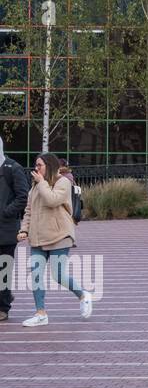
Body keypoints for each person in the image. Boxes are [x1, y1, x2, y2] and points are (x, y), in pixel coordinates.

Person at [15, 154, 92, 327]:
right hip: (37, 238)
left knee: (58, 276)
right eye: (36, 165)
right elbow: (28, 210)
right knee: (35, 276)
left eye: (39, 165)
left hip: (59, 236)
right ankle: (40, 314)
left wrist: (41, 182)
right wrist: (24, 229)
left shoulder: (63, 182)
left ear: (48, 166)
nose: (36, 169)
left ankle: (83, 295)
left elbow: (52, 200)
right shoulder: (35, 187)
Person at [0, 137, 30, 323]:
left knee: (3, 270)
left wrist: (5, 212)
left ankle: (3, 308)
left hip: (5, 231)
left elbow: (22, 196)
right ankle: (5, 296)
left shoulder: (13, 168)